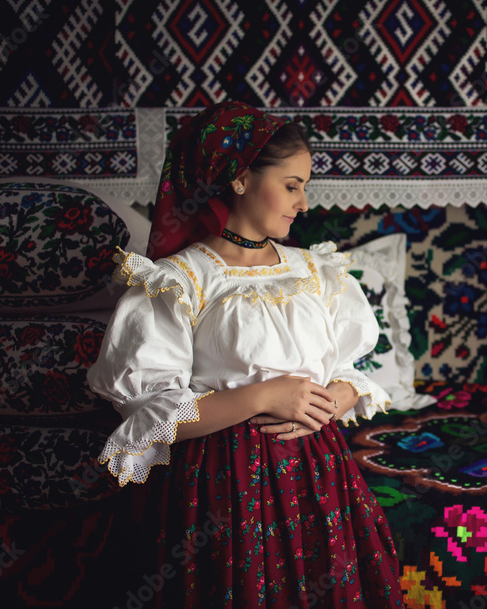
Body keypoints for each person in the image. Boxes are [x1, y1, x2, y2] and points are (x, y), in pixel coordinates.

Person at [87, 101, 404, 607]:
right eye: (292, 184)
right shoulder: (181, 279)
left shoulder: (315, 271)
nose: (303, 203)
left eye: (305, 187)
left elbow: (346, 367)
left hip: (318, 472)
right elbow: (154, 415)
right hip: (224, 481)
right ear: (238, 178)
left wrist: (339, 395)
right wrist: (264, 395)